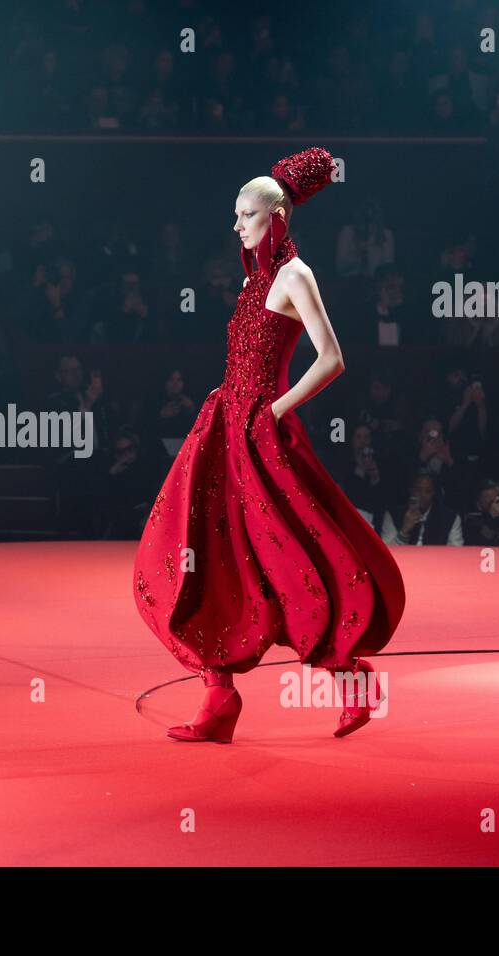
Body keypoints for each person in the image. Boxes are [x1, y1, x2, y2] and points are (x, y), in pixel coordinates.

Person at [132, 147, 406, 742]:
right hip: (224, 426)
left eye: (246, 216)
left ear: (276, 218)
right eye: (235, 216)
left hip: (260, 435)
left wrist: (275, 410)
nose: (236, 226)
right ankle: (218, 697)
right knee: (201, 553)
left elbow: (331, 358)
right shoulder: (255, 278)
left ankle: (351, 676)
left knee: (287, 555)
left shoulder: (294, 275)